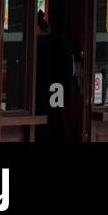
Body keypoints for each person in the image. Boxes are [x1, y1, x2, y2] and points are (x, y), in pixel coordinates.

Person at [35, 11, 76, 142]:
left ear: (37, 28)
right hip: (62, 103)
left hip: (41, 105)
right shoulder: (63, 43)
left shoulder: (37, 46)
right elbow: (71, 72)